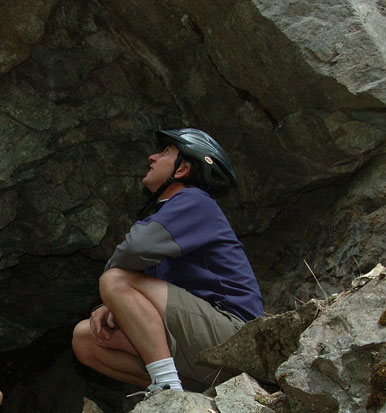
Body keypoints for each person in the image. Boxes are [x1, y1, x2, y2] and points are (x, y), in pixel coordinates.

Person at [72, 127, 264, 393]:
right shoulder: (175, 218)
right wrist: (116, 303)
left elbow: (133, 250)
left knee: (115, 278)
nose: (152, 157)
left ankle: (166, 387)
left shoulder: (195, 201)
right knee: (85, 338)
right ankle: (180, 389)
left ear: (183, 169)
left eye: (165, 152)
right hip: (202, 347)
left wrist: (112, 292)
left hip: (235, 338)